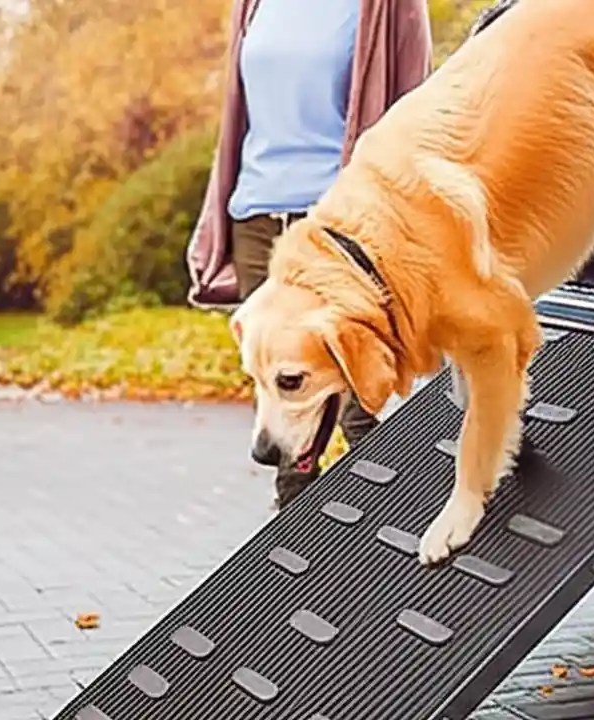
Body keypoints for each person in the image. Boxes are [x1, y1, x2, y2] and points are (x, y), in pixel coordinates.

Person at [186, 0, 433, 508]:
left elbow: (415, 109)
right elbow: (242, 113)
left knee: (358, 391)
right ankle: (293, 533)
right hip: (256, 217)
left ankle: (400, 521)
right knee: (283, 388)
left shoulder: (388, 8)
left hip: (337, 221)